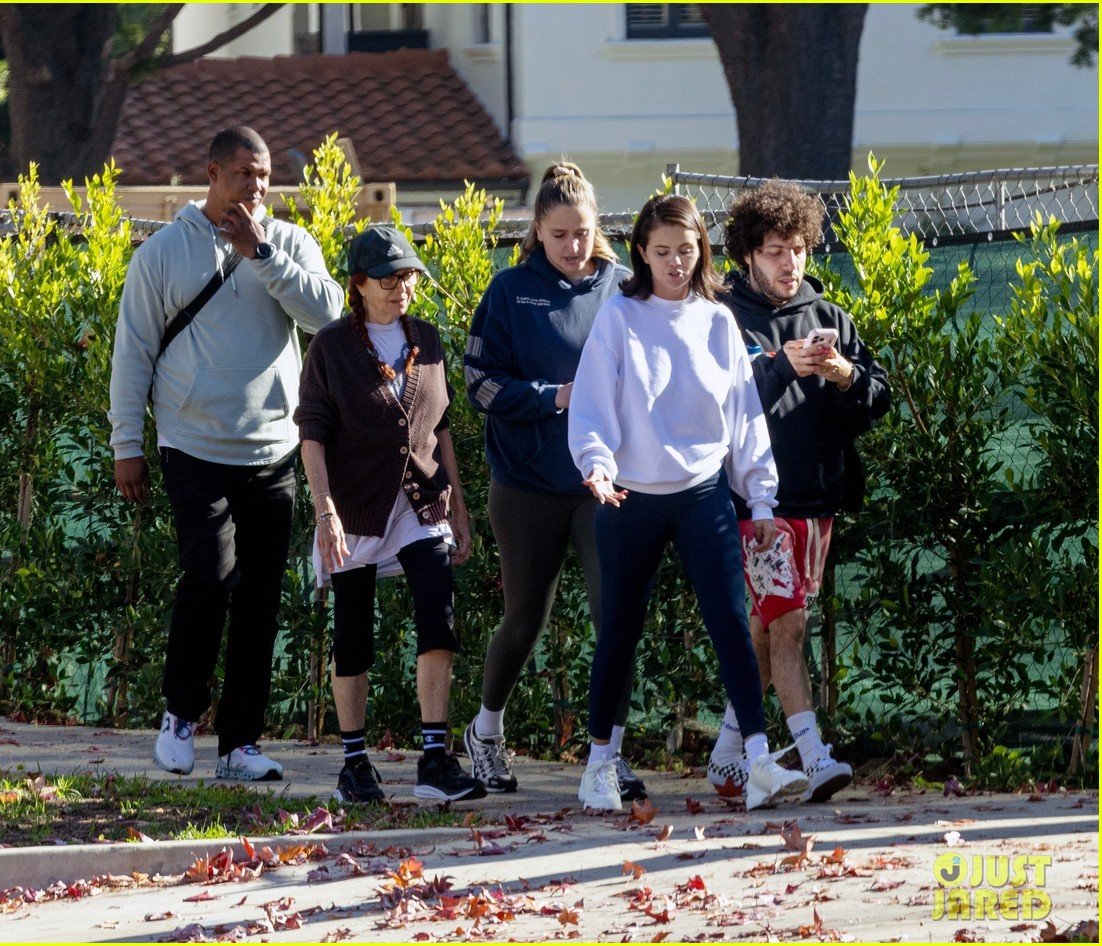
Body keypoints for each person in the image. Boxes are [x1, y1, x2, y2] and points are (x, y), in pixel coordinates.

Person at [109, 126, 343, 781]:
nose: (256, 186)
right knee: (210, 579)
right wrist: (128, 443)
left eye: (263, 175)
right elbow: (134, 352)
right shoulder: (163, 252)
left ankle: (240, 744)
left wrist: (263, 254)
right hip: (192, 445)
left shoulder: (290, 244)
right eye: (243, 173)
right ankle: (180, 716)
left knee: (262, 599)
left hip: (271, 450)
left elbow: (327, 315)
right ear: (211, 173)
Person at [568, 194, 810, 813]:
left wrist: (760, 500)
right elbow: (592, 404)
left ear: (701, 248)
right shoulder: (619, 318)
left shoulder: (717, 320)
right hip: (629, 497)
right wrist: (595, 467)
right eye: (661, 251)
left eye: (686, 249)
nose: (675, 262)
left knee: (733, 624)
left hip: (703, 494)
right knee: (619, 630)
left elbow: (743, 413)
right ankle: (599, 767)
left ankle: (757, 762)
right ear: (641, 255)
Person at [461, 163, 646, 800]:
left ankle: (609, 755)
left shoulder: (624, 289)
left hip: (603, 486)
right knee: (523, 622)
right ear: (537, 230)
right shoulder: (510, 291)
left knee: (614, 618)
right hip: (526, 486)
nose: (572, 246)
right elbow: (479, 384)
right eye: (560, 234)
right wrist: (554, 396)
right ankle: (485, 731)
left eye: (584, 233)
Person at [708, 180, 891, 803]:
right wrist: (782, 364)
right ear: (748, 255)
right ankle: (813, 756)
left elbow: (875, 402)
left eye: (800, 249)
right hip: (754, 508)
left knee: (766, 631)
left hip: (818, 503)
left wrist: (842, 375)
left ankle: (729, 753)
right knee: (789, 626)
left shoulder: (831, 316)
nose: (791, 264)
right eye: (776, 251)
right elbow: (720, 405)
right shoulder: (723, 316)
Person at [294, 225, 485, 804]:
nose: (400, 288)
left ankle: (435, 759)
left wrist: (459, 503)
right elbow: (313, 437)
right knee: (353, 631)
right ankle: (355, 764)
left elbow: (441, 424)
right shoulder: (330, 347)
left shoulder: (426, 339)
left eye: (406, 276)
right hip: (354, 505)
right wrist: (325, 511)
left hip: (420, 501)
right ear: (359, 284)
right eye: (387, 278)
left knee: (438, 607)